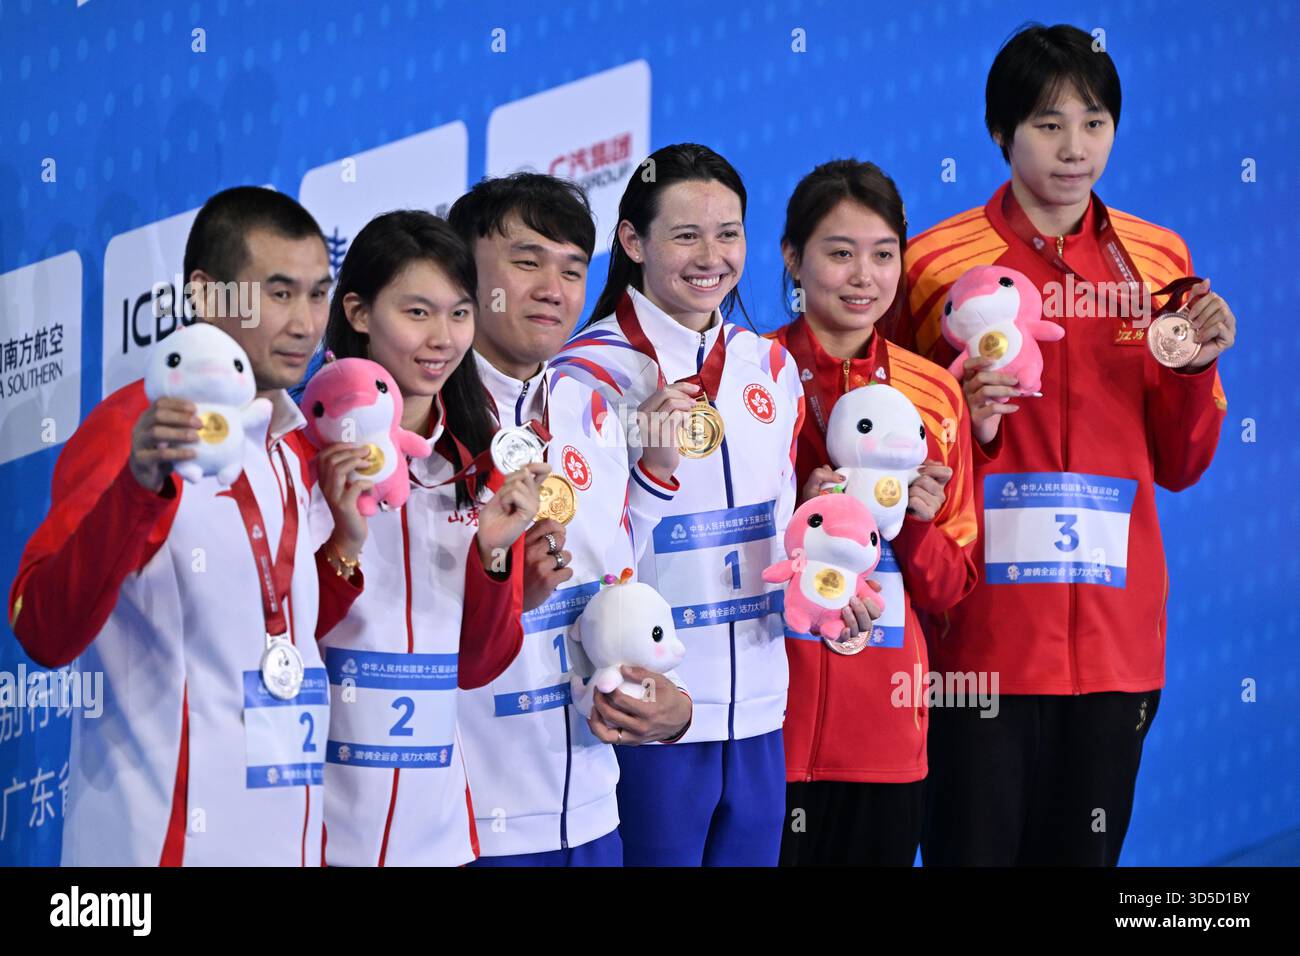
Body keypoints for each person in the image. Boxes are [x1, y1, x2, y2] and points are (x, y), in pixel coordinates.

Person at [897, 23, 1234, 866]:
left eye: (1094, 122)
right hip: (979, 642)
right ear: (1000, 133)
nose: (1075, 149)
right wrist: (965, 417)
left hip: (1118, 641)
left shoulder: (1159, 261)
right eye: (1048, 124)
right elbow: (899, 453)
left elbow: (1184, 464)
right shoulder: (933, 263)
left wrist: (1195, 370)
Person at [8, 186, 365, 865]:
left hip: (287, 842)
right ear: (206, 294)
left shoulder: (293, 441)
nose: (306, 324)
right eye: (279, 293)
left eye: (318, 294)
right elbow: (45, 631)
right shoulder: (127, 432)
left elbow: (279, 627)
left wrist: (345, 547)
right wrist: (139, 488)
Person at [558, 144, 808, 866]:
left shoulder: (771, 367)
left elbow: (784, 534)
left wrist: (825, 585)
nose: (713, 256)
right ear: (633, 242)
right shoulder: (586, 376)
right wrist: (651, 468)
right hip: (646, 716)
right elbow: (584, 566)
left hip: (760, 714)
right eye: (686, 235)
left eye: (728, 233)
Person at [448, 172, 693, 867]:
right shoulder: (430, 426)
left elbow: (620, 579)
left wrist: (674, 707)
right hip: (469, 824)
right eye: (526, 262)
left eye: (572, 267)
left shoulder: (595, 413)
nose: (553, 288)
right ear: (464, 274)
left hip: (591, 810)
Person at [309, 210, 546, 866]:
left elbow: (476, 666)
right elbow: (277, 636)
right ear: (356, 311)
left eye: (460, 313)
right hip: (315, 826)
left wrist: (495, 554)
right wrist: (344, 547)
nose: (443, 338)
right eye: (417, 312)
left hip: (439, 833)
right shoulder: (302, 458)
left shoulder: (476, 464)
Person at [770, 159, 979, 866]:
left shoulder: (934, 395)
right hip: (769, 721)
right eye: (839, 253)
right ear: (793, 258)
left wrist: (915, 522)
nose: (864, 276)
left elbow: (952, 588)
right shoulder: (751, 378)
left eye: (884, 254)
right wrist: (795, 513)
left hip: (886, 730)